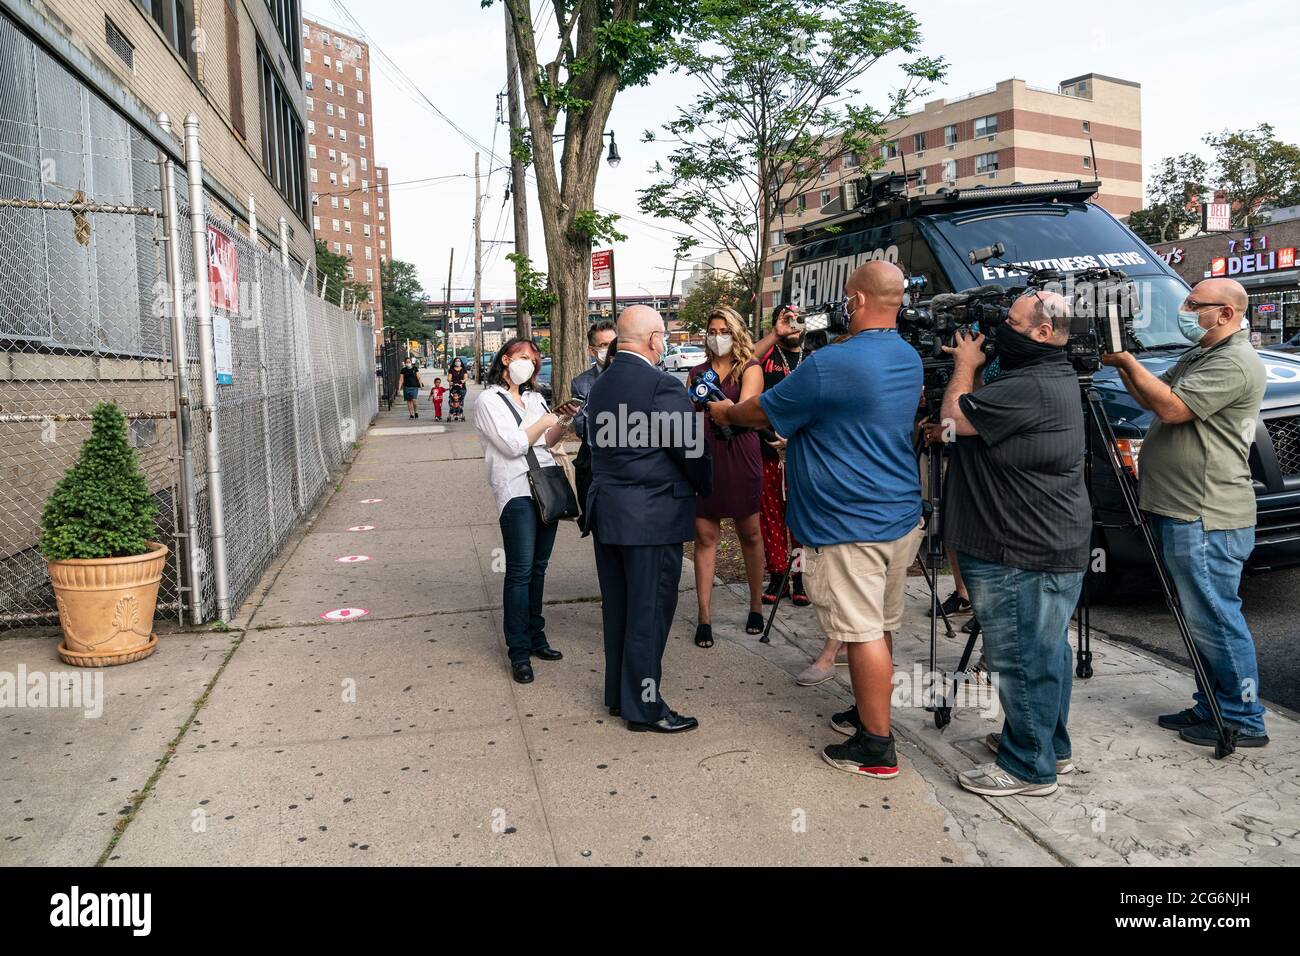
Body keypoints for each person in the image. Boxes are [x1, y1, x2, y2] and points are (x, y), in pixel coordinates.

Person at [709, 262, 924, 780]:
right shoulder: (909, 357)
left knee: (863, 629)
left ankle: (877, 748)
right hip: (898, 516)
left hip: (850, 523)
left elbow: (758, 412)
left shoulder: (830, 364)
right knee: (879, 625)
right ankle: (867, 710)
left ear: (855, 301)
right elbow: (854, 422)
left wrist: (724, 414)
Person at [1101, 277, 1268, 748]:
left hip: (1207, 513)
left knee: (1216, 617)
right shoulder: (1202, 354)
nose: (1187, 310)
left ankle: (1243, 717)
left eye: (1196, 305)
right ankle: (1212, 704)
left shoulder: (1234, 361)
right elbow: (1154, 399)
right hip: (1184, 509)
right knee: (1201, 619)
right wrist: (1126, 365)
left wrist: (1128, 360)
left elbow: (1173, 410)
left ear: (1227, 314)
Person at [938, 290, 1089, 797]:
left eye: (1012, 321)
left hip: (1022, 550)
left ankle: (1028, 767)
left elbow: (953, 421)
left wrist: (964, 364)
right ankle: (1051, 747)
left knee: (1021, 659)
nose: (1001, 327)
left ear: (1043, 333)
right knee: (1046, 655)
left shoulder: (1033, 386)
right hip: (1041, 544)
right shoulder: (1045, 376)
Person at [584, 305, 712, 732]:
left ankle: (620, 695)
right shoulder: (660, 384)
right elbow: (691, 450)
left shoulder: (600, 384)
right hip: (651, 516)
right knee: (649, 613)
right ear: (656, 340)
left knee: (619, 610)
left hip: (610, 513)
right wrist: (705, 485)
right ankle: (644, 706)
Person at [474, 338, 581, 685]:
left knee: (539, 568)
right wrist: (543, 422)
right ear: (505, 359)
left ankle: (537, 637)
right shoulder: (488, 401)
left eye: (534, 360)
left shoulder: (535, 398)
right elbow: (514, 445)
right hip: (516, 491)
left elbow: (546, 442)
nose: (529, 364)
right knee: (519, 572)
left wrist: (561, 421)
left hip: (545, 485)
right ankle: (518, 651)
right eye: (522, 357)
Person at [688, 306, 766, 647]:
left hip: (741, 454)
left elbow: (746, 411)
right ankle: (704, 616)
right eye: (712, 330)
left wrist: (724, 410)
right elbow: (689, 418)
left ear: (737, 334)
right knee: (705, 537)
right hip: (706, 456)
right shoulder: (696, 372)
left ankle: (755, 605)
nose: (717, 336)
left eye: (724, 330)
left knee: (750, 533)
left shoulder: (749, 369)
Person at [570, 319, 618, 521]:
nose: (609, 349)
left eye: (613, 343)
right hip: (595, 465)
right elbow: (582, 426)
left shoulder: (639, 376)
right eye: (603, 345)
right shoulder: (581, 383)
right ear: (592, 350)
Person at [448, 357, 469, 421]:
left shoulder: (463, 369)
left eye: (459, 361)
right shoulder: (451, 370)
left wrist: (463, 381)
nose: (458, 362)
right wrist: (450, 381)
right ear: (454, 362)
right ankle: (453, 411)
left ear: (461, 362)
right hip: (454, 386)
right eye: (456, 361)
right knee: (453, 399)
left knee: (460, 400)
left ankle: (459, 412)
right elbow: (449, 378)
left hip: (462, 387)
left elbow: (466, 377)